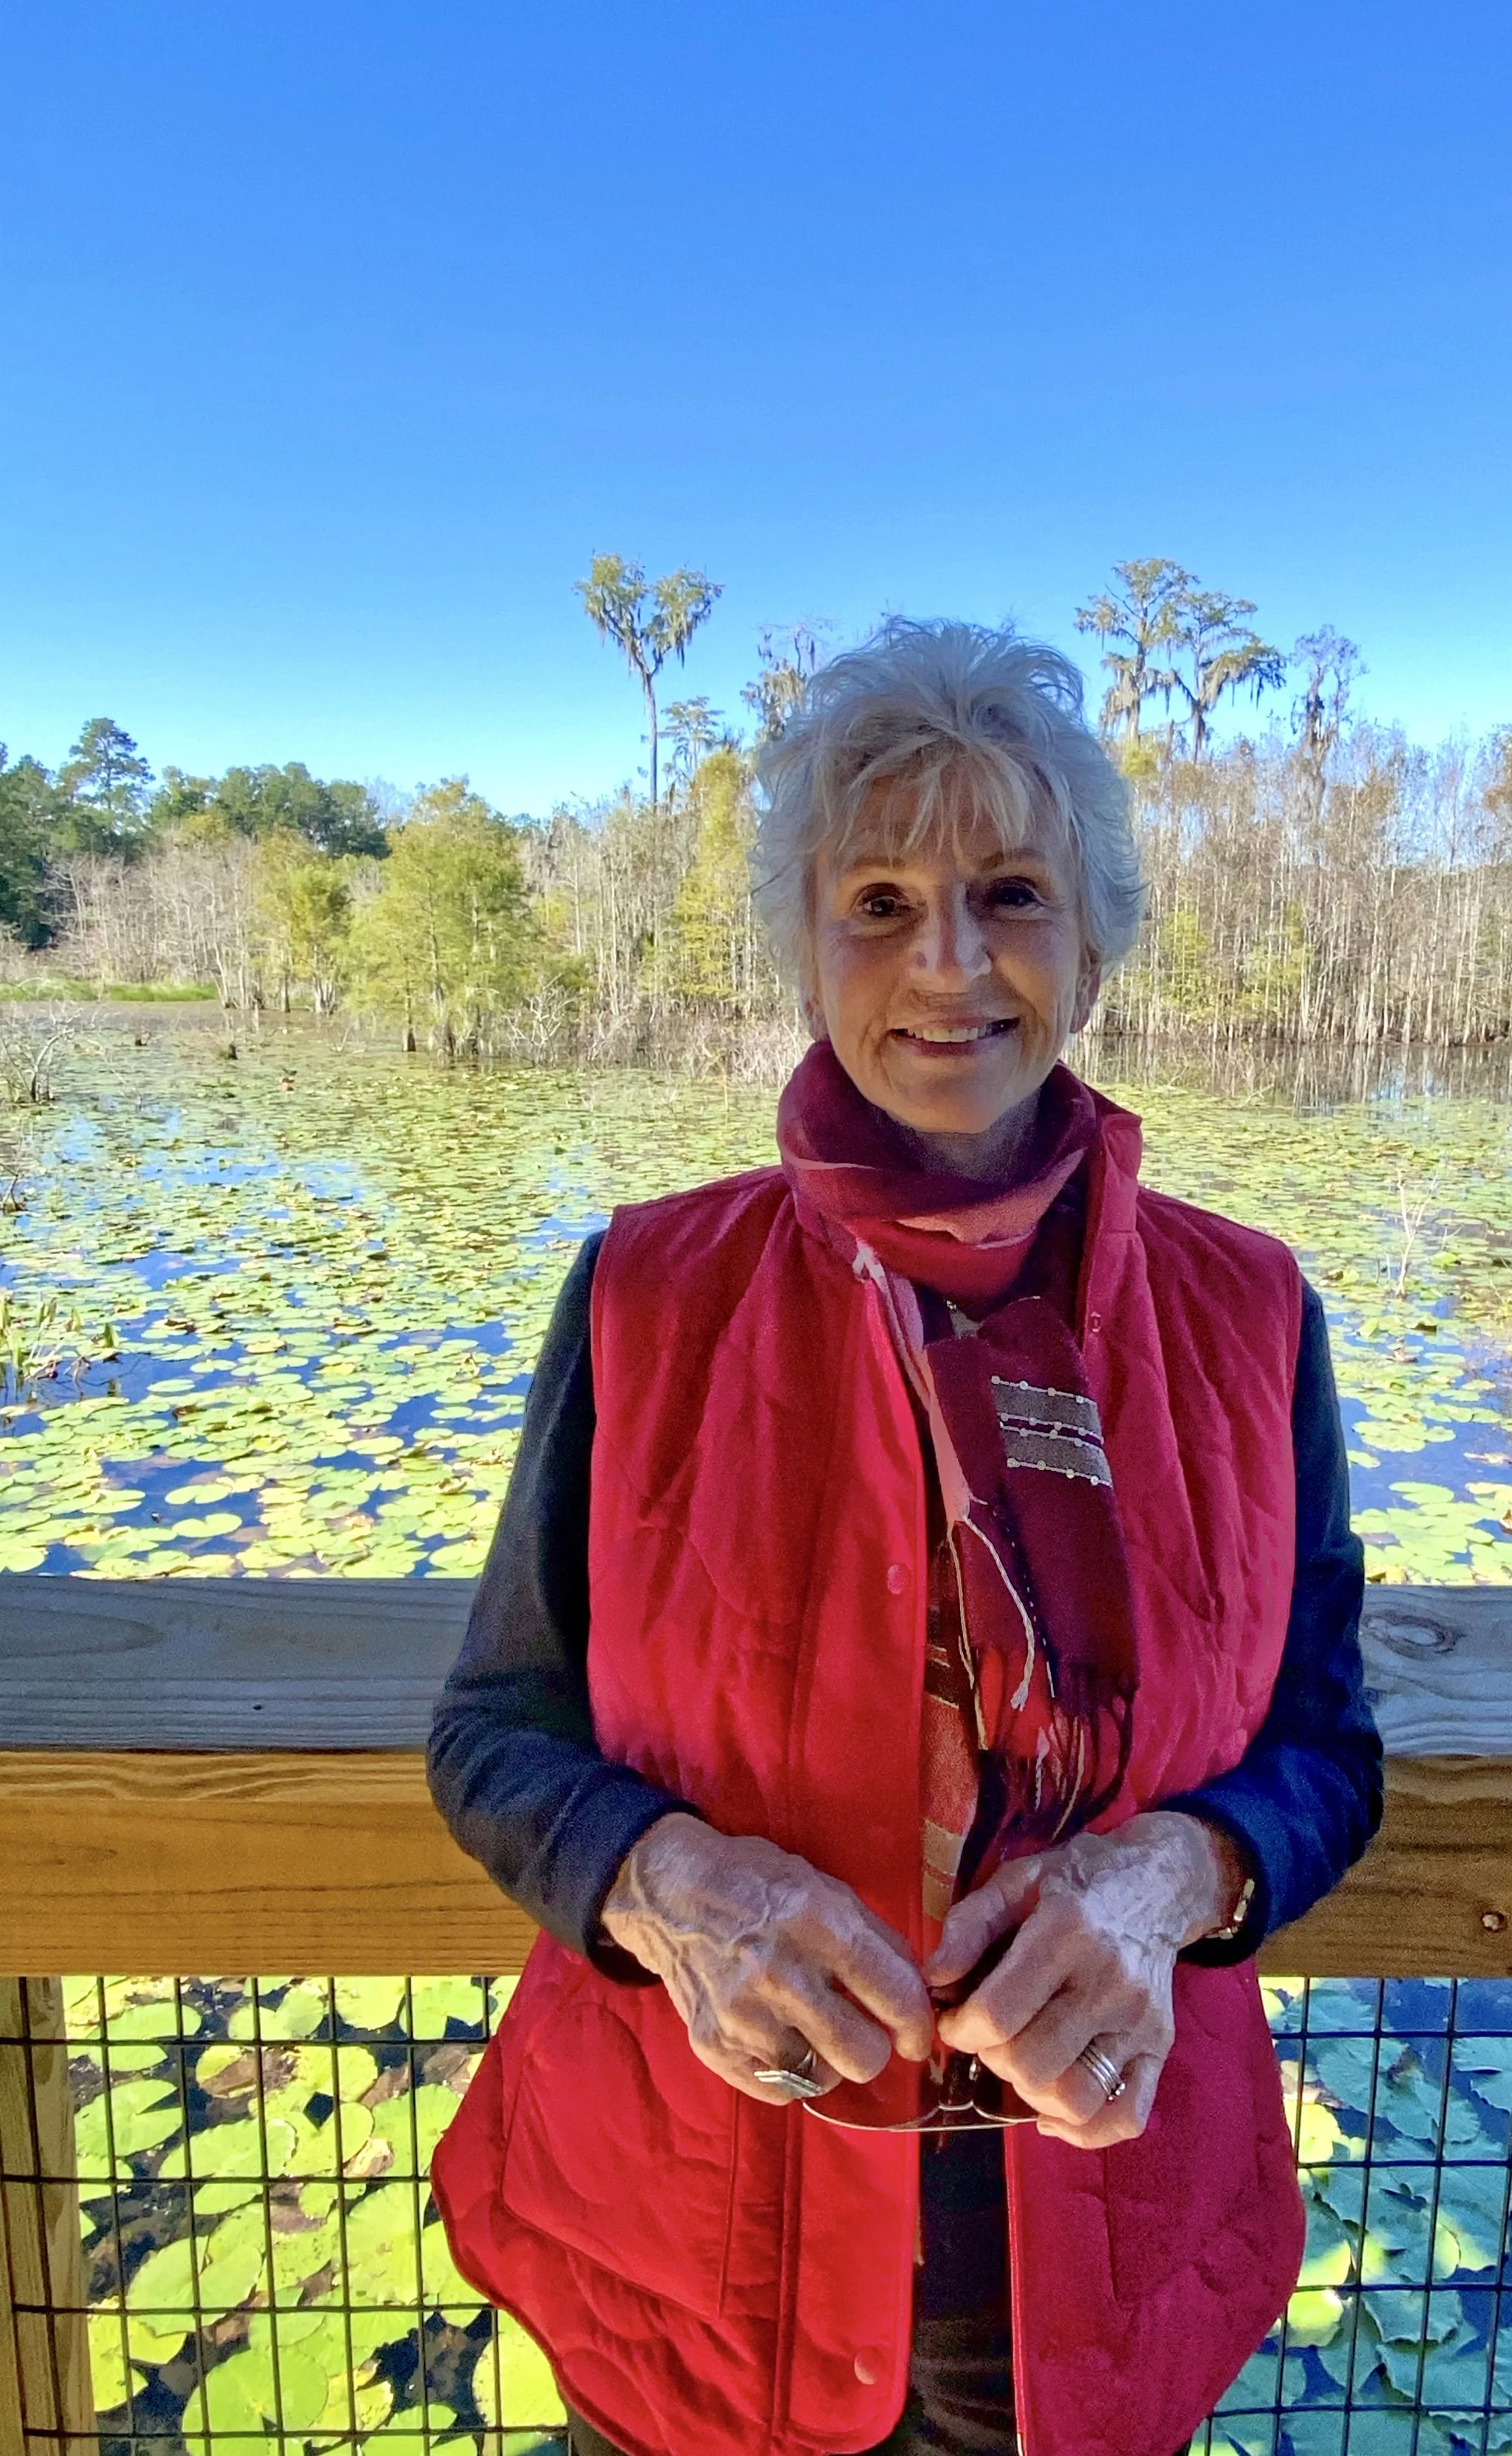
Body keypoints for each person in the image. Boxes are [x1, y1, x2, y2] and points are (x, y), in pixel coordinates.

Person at [428, 619, 1382, 2456]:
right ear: (806, 951)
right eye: (877, 903)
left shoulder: (1252, 1314)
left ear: (1089, 941)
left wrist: (1166, 1876)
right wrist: (669, 1885)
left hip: (1096, 2268)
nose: (947, 961)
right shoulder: (643, 1292)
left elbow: (1323, 1749)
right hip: (694, 2256)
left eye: (1008, 893)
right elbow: (494, 1731)